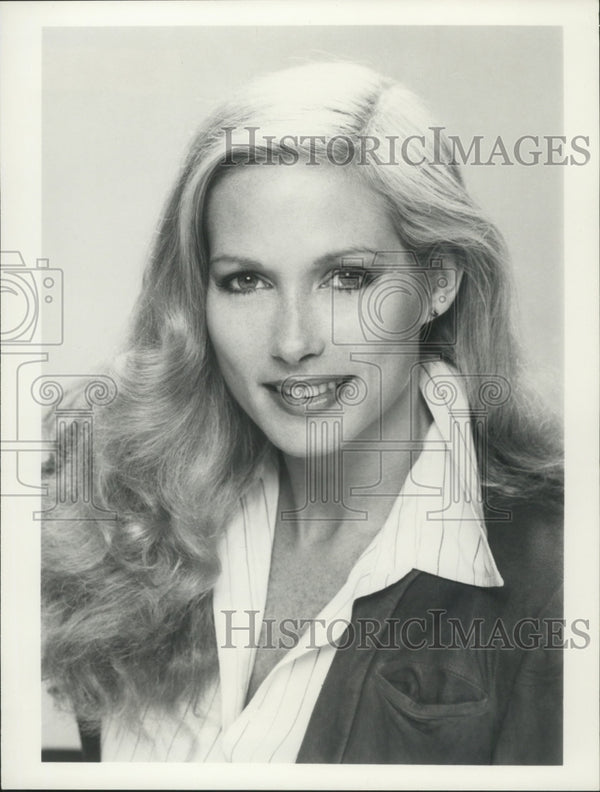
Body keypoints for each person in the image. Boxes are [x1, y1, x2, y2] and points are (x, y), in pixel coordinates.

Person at [41, 61, 563, 764]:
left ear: (438, 283)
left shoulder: (558, 581)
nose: (292, 342)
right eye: (246, 280)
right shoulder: (126, 510)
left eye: (347, 277)